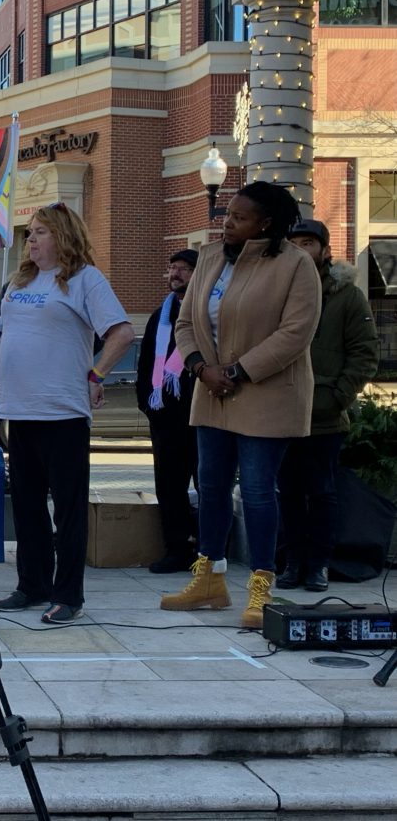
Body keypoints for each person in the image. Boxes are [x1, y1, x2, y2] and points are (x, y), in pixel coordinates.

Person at [160, 181, 321, 629]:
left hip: (266, 394)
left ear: (265, 223)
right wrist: (201, 369)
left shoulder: (296, 266)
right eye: (227, 214)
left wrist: (237, 372)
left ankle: (261, 586)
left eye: (239, 217)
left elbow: (296, 332)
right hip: (211, 391)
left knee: (254, 490)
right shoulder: (210, 258)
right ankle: (209, 579)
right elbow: (187, 321)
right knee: (209, 486)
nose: (227, 222)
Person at [0, 202, 134, 625]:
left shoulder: (85, 280)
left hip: (63, 411)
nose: (29, 239)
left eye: (40, 232)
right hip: (21, 409)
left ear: (63, 236)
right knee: (28, 506)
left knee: (66, 509)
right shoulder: (19, 281)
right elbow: (5, 339)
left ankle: (68, 595)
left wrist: (96, 373)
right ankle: (31, 586)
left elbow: (122, 334)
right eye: (29, 232)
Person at [276, 219, 379, 592]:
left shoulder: (347, 297)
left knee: (321, 492)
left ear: (324, 250)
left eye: (308, 242)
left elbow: (365, 354)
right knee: (286, 492)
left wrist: (338, 397)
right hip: (280, 413)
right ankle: (291, 563)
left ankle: (318, 564)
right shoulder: (277, 291)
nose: (301, 249)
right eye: (295, 242)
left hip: (324, 416)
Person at [136, 249, 200, 574]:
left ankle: (208, 550)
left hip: (202, 414)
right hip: (165, 417)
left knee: (207, 484)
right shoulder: (160, 315)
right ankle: (176, 548)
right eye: (172, 267)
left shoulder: (207, 313)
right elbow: (146, 361)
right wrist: (147, 402)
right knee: (169, 486)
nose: (175, 273)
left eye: (184, 269)